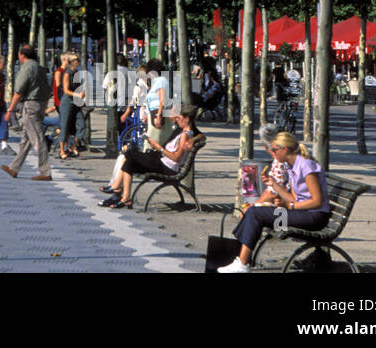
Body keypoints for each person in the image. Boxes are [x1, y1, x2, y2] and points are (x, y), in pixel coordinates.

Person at [218, 131, 329, 273]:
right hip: (303, 214)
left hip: (314, 218)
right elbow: (294, 199)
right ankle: (240, 260)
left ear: (285, 149)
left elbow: (317, 201)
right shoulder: (292, 166)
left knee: (255, 213)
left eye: (275, 150)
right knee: (255, 212)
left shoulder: (306, 166)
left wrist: (290, 206)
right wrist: (274, 184)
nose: (273, 153)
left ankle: (243, 263)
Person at [101, 107, 199, 208]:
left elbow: (176, 158)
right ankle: (124, 197)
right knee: (129, 158)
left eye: (179, 118)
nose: (177, 120)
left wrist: (159, 148)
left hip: (167, 168)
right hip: (163, 162)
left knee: (130, 154)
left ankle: (118, 188)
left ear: (186, 119)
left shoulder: (185, 135)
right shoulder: (183, 132)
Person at [0, 45, 53, 181]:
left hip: (31, 105)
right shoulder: (40, 68)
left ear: (21, 55)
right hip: (40, 104)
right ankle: (14, 167)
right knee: (26, 139)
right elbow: (48, 89)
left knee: (37, 138)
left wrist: (10, 109)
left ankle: (45, 171)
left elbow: (18, 91)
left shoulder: (27, 68)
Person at [55, 54, 81, 160]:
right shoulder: (67, 74)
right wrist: (78, 95)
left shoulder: (77, 74)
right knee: (64, 127)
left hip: (75, 102)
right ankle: (62, 151)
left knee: (82, 125)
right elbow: (65, 90)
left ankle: (73, 146)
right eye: (75, 60)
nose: (77, 62)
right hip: (66, 102)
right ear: (71, 62)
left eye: (78, 60)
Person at [144, 58, 170, 147]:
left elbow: (162, 99)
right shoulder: (157, 81)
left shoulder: (160, 81)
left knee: (151, 144)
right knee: (157, 143)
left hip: (157, 115)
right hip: (154, 114)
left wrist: (159, 115)